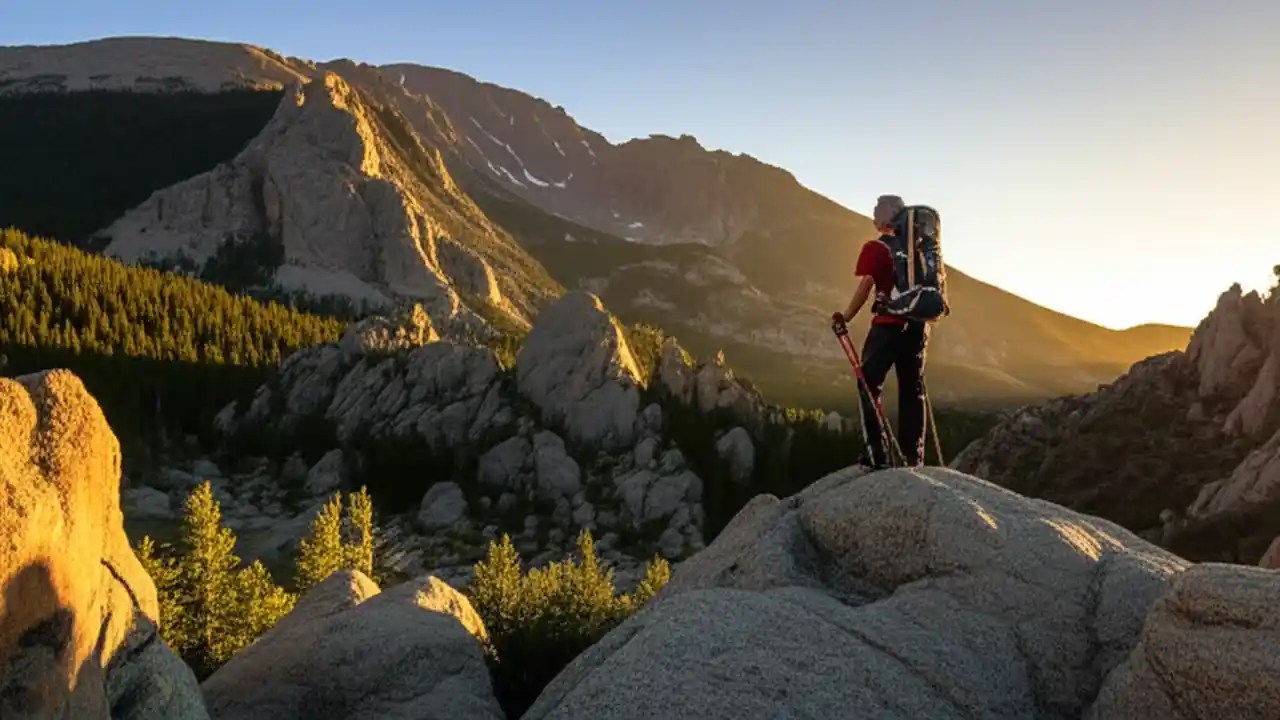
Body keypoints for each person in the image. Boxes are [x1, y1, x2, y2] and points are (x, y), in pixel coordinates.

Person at [834, 194, 929, 468]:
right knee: (912, 390)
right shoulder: (919, 251)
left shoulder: (879, 248)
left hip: (887, 328)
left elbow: (866, 286)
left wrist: (846, 316)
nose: (872, 212)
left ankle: (878, 455)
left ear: (887, 216)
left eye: (877, 208)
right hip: (917, 329)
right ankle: (913, 458)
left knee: (868, 384)